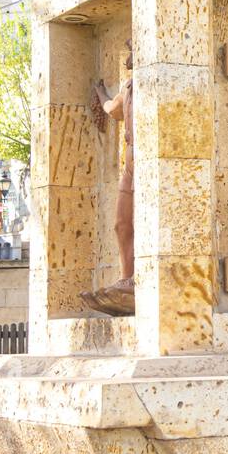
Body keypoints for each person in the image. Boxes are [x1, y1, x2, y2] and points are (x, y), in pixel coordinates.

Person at [81, 40, 134, 315]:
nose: (127, 59)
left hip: (149, 161)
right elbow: (112, 110)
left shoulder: (156, 82)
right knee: (121, 224)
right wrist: (100, 92)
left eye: (132, 50)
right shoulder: (129, 87)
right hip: (131, 163)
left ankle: (139, 281)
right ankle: (128, 279)